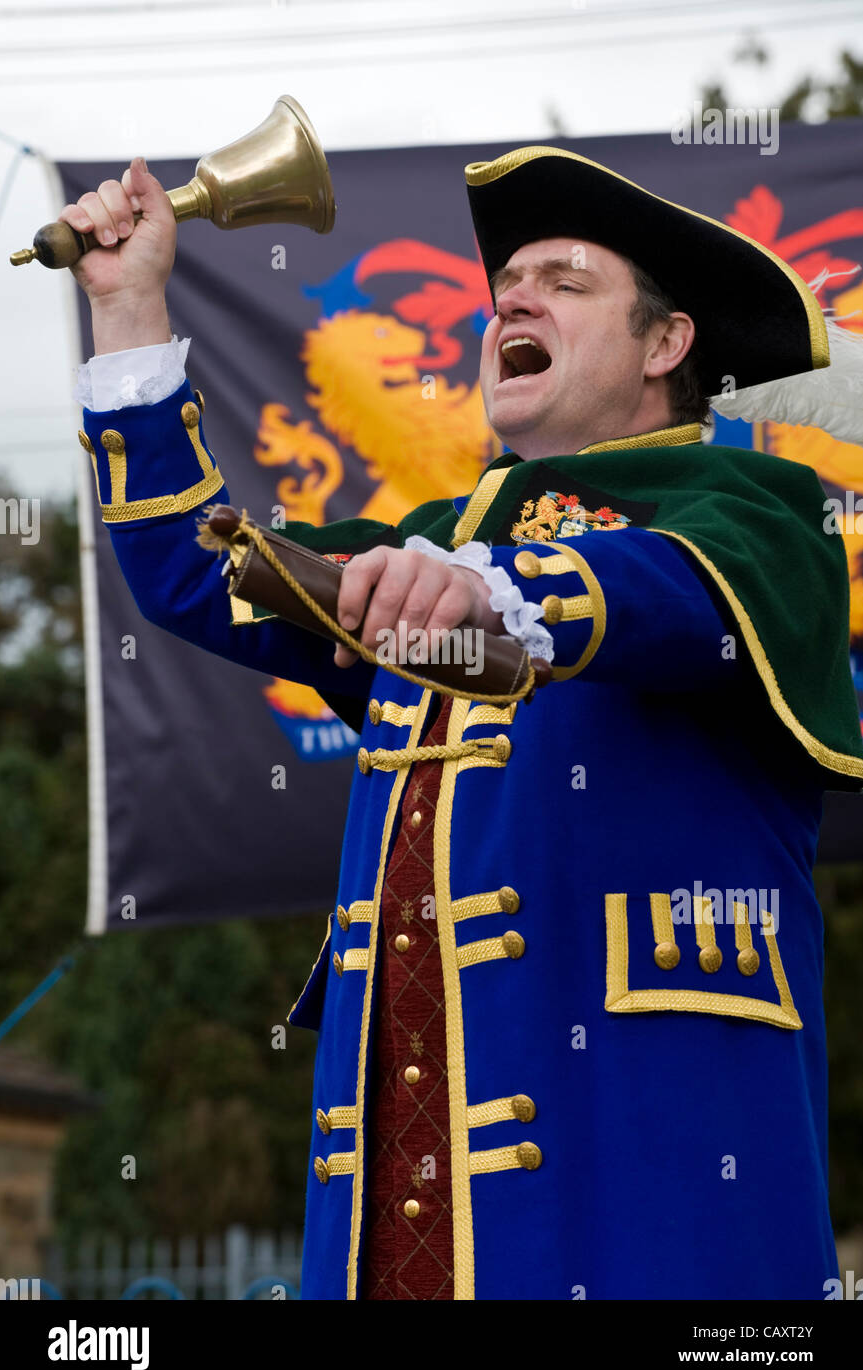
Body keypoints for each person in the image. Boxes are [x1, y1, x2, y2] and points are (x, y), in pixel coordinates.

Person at [62, 146, 863, 1301]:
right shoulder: (428, 544)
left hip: (646, 1180)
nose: (513, 304)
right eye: (504, 293)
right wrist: (129, 304)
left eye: (564, 280)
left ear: (666, 343)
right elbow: (198, 573)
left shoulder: (760, 518)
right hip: (405, 1201)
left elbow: (668, 590)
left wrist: (502, 595)